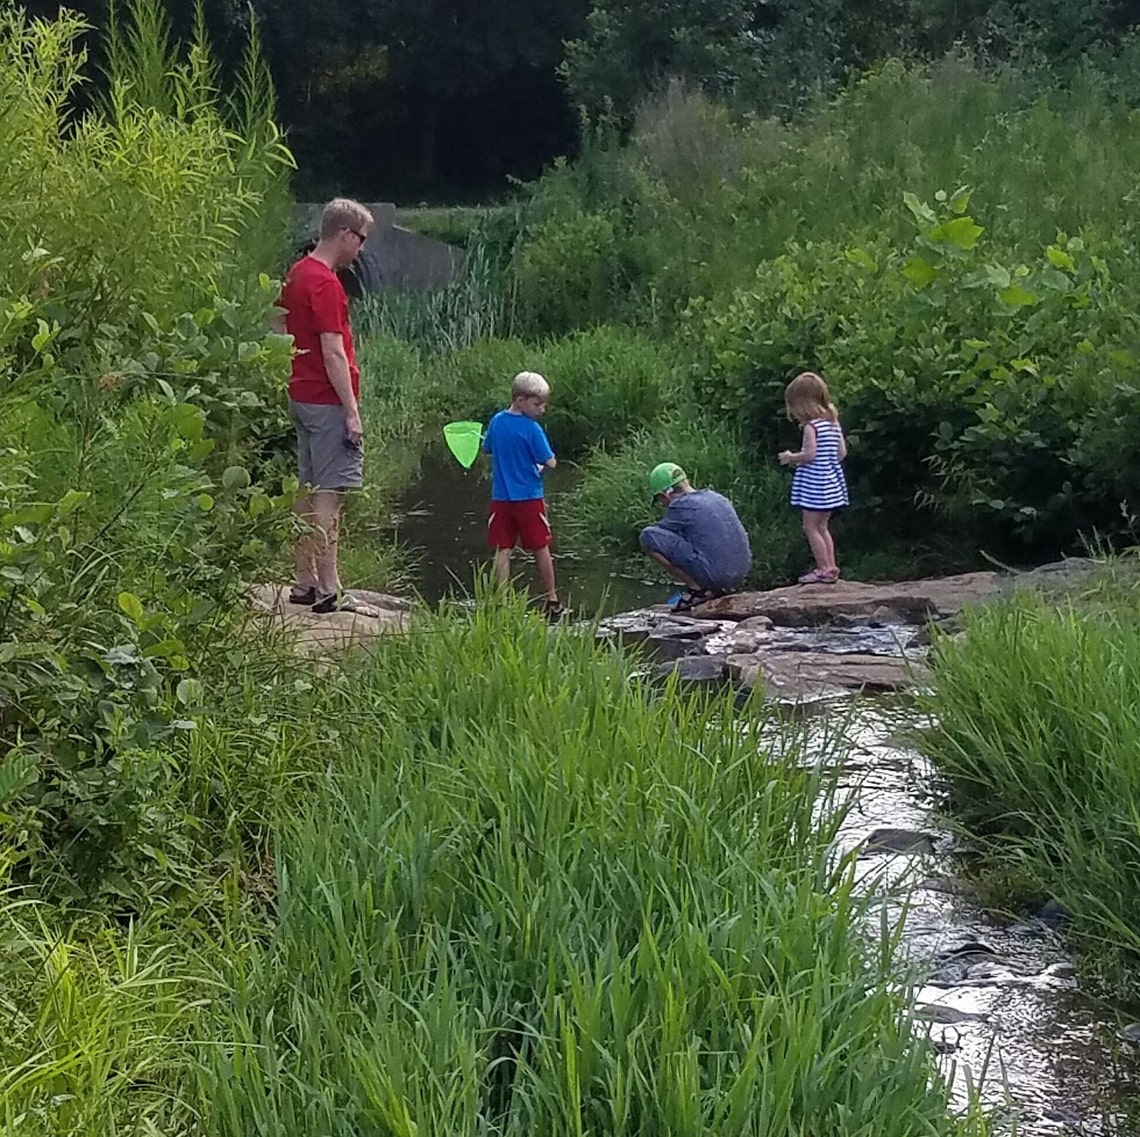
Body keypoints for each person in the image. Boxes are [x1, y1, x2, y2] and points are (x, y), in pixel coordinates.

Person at [276, 198, 373, 613]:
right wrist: (351, 411)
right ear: (346, 234)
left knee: (307, 488)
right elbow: (332, 350)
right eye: (361, 240)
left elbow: (279, 325)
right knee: (329, 495)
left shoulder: (297, 274)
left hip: (300, 395)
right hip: (326, 401)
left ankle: (305, 580)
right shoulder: (326, 284)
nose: (361, 250)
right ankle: (330, 589)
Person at [482, 371, 564, 619]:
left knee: (503, 550)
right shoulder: (532, 429)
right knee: (541, 547)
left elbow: (487, 449)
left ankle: (502, 602)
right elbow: (550, 462)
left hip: (501, 499)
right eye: (537, 404)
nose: (542, 409)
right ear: (519, 400)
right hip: (529, 498)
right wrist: (539, 464)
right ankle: (552, 599)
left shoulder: (496, 422)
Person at [639, 463, 752, 612]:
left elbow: (659, 538)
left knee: (647, 536)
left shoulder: (679, 505)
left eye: (661, 501)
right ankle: (718, 588)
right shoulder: (716, 497)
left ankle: (697, 591)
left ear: (663, 495)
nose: (663, 505)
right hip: (741, 572)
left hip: (718, 574)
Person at [778, 370, 848, 584]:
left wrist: (792, 457)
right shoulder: (833, 423)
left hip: (815, 485)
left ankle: (823, 568)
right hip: (831, 482)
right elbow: (841, 453)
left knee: (810, 527)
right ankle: (831, 567)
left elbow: (809, 455)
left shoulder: (811, 427)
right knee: (823, 526)